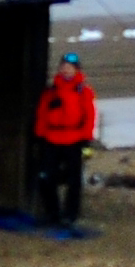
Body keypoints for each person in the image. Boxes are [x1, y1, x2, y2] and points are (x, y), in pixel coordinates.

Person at [32, 53, 99, 225]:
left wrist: (86, 139)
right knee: (46, 178)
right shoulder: (51, 90)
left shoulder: (84, 91)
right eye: (63, 66)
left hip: (74, 139)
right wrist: (39, 135)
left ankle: (70, 215)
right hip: (51, 138)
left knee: (74, 180)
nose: (65, 70)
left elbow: (90, 116)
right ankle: (52, 213)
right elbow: (42, 113)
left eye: (69, 67)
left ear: (76, 70)